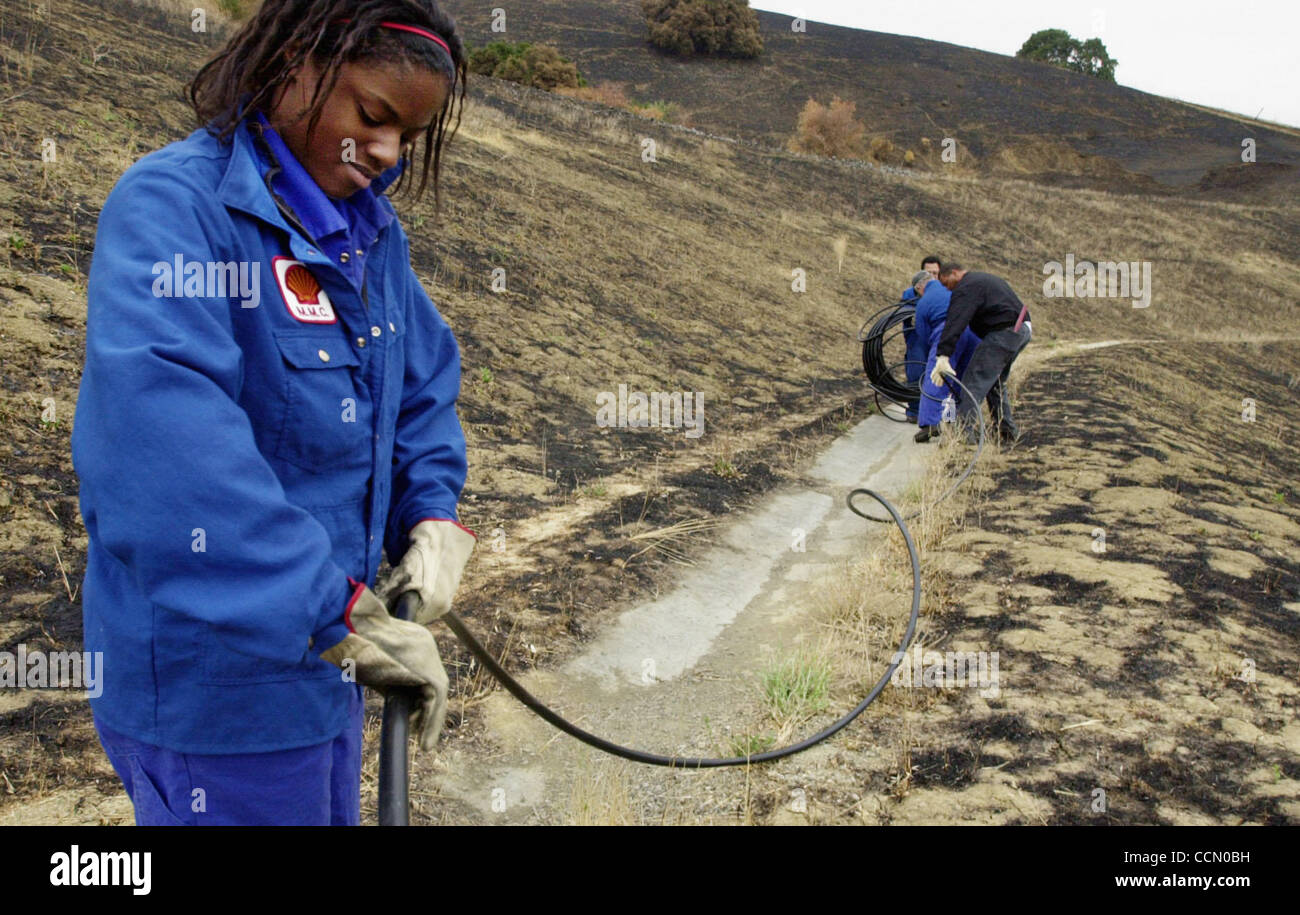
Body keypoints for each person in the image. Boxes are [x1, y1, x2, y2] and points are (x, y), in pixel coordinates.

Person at [70, 2, 478, 826]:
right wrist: (338, 614)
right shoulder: (175, 214)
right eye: (374, 117)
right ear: (296, 64)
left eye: (411, 134)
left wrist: (431, 512)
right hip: (219, 705)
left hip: (326, 678)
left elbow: (420, 380)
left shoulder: (367, 235)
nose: (389, 155)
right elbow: (170, 468)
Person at [932, 263, 1033, 443]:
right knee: (994, 382)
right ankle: (1007, 431)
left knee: (974, 380)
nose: (946, 288)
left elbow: (956, 320)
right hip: (1021, 328)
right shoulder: (982, 280)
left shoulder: (967, 286)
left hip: (1005, 332)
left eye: (946, 282)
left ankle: (962, 433)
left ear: (955, 273)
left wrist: (943, 354)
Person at [906, 271, 981, 443]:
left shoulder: (924, 302)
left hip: (945, 332)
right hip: (971, 331)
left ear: (919, 287)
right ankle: (953, 420)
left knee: (936, 376)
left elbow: (924, 335)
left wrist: (935, 353)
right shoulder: (951, 289)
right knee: (956, 380)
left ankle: (929, 424)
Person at [899, 255, 942, 421]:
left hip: (938, 336)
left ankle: (937, 414)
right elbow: (904, 318)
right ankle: (915, 412)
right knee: (916, 372)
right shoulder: (910, 293)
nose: (931, 277)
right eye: (928, 273)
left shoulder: (945, 291)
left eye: (935, 273)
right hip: (917, 337)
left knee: (939, 375)